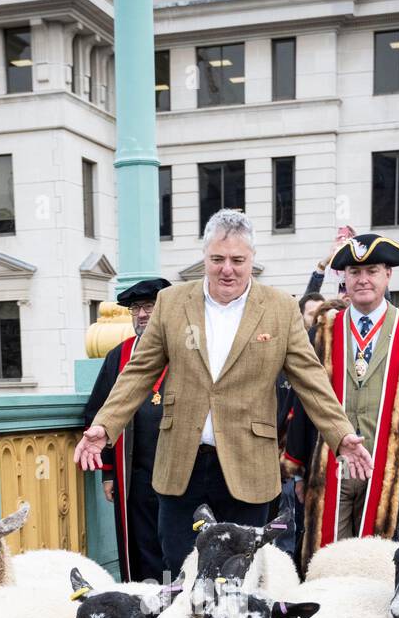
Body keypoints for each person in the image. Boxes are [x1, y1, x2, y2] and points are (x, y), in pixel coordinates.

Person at [73, 209, 372, 577]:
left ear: (251, 260)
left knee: (239, 576)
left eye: (237, 260)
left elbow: (310, 379)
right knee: (180, 573)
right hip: (181, 465)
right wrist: (105, 426)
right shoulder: (171, 302)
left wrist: (341, 435)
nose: (226, 269)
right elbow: (138, 372)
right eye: (217, 259)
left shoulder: (279, 308)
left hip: (248, 467)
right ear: (205, 259)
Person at [282, 232, 399, 568]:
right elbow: (303, 399)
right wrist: (296, 468)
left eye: (372, 271)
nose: (363, 279)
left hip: (391, 469)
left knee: (381, 567)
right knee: (327, 565)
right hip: (330, 468)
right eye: (355, 272)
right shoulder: (324, 329)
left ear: (388, 275)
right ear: (344, 279)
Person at [82, 277, 170, 581]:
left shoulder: (187, 349)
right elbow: (97, 413)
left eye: (149, 306)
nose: (142, 314)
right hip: (135, 472)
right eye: (136, 309)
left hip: (183, 468)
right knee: (142, 546)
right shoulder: (119, 355)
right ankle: (146, 605)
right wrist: (108, 471)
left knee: (179, 544)